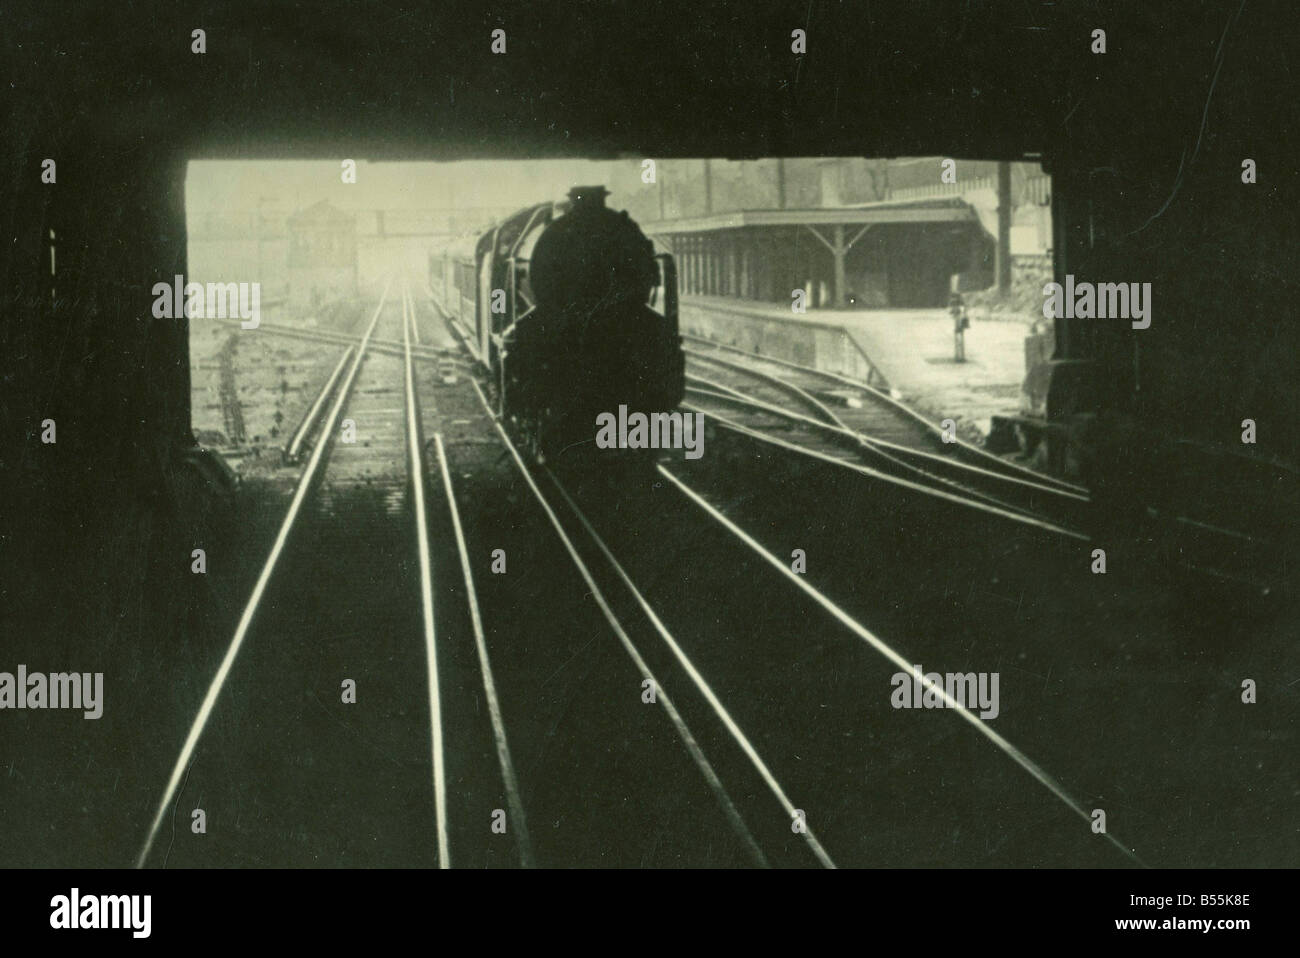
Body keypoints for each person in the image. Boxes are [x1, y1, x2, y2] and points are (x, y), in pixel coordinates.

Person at [949, 290, 969, 362]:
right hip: (960, 325)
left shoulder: (955, 304)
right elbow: (963, 313)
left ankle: (958, 356)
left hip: (958, 324)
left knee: (958, 340)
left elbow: (952, 312)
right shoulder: (961, 304)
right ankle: (961, 356)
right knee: (960, 340)